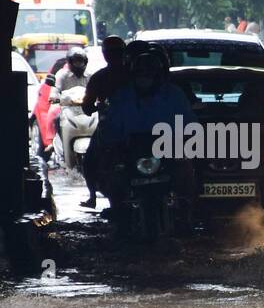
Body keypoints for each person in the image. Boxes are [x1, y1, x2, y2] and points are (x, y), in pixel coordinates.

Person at [95, 46, 197, 213]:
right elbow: (110, 128)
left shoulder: (174, 96)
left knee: (185, 169)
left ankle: (186, 214)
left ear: (158, 76)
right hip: (130, 152)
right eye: (140, 74)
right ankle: (119, 215)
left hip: (167, 149)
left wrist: (186, 139)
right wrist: (110, 145)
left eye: (149, 74)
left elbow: (189, 123)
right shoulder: (122, 97)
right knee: (113, 175)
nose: (144, 79)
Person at [77, 36, 130, 208]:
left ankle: (92, 196)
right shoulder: (130, 74)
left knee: (89, 161)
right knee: (90, 160)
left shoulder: (101, 77)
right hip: (115, 127)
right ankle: (92, 196)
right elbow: (87, 105)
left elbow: (87, 106)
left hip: (126, 126)